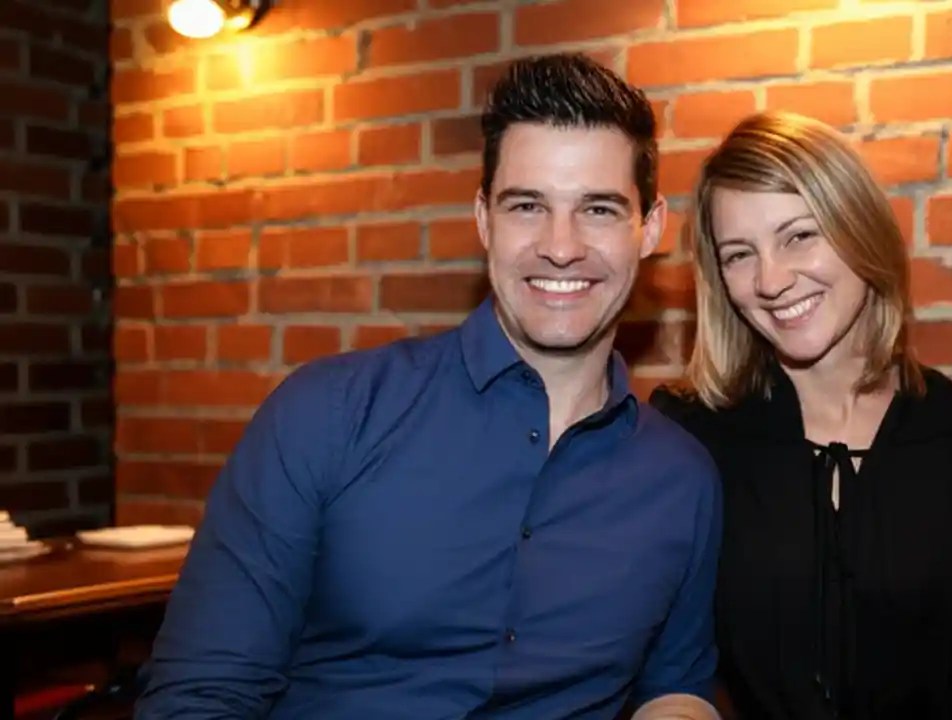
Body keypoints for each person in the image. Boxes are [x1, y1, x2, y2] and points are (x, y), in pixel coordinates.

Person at [134, 53, 723, 720]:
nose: (561, 246)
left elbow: (676, 685)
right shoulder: (328, 415)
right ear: (483, 220)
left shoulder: (682, 479)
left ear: (648, 228)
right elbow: (202, 695)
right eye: (527, 206)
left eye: (598, 209)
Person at [650, 111, 952, 720]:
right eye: (738, 254)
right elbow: (665, 669)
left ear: (859, 228)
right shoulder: (689, 435)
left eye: (799, 236)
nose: (771, 280)